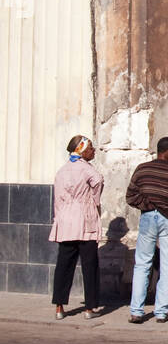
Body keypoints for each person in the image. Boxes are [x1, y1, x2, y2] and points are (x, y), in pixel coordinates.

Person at [126, 137, 168, 324]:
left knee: (142, 264)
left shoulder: (142, 170)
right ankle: (161, 312)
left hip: (148, 218)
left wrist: (148, 205)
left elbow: (131, 196)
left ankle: (137, 311)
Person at [49, 134, 104, 319]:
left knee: (64, 266)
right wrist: (95, 202)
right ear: (81, 150)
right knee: (90, 266)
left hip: (66, 223)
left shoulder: (62, 171)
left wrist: (59, 219)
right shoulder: (87, 169)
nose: (93, 151)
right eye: (90, 148)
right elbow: (98, 181)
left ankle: (59, 307)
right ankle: (90, 308)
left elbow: (57, 200)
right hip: (85, 222)